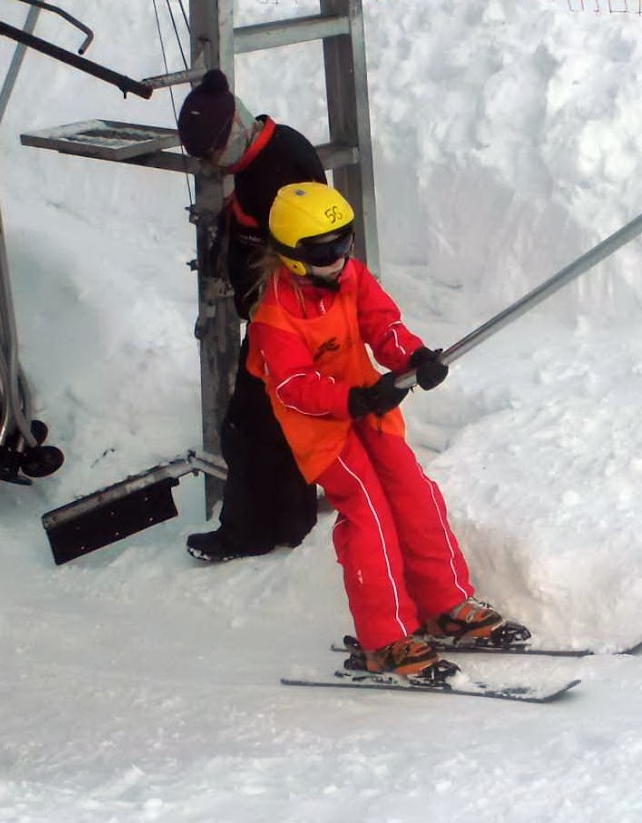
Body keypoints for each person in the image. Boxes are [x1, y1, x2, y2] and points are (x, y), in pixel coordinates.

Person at [247, 181, 530, 682]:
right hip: (321, 431)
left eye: (344, 243)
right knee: (369, 514)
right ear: (291, 255)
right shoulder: (274, 316)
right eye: (324, 251)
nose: (338, 258)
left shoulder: (350, 276)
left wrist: (413, 356)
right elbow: (294, 387)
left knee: (415, 494)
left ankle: (445, 604)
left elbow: (382, 322)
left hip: (367, 407)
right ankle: (385, 639)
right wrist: (352, 398)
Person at [174, 68, 323, 562]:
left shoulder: (282, 168)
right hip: (272, 315)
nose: (215, 167)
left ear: (231, 134)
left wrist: (267, 317)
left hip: (282, 321)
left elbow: (301, 255)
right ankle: (289, 522)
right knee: (275, 425)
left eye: (213, 155)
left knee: (246, 427)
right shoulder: (267, 154)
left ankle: (246, 532)